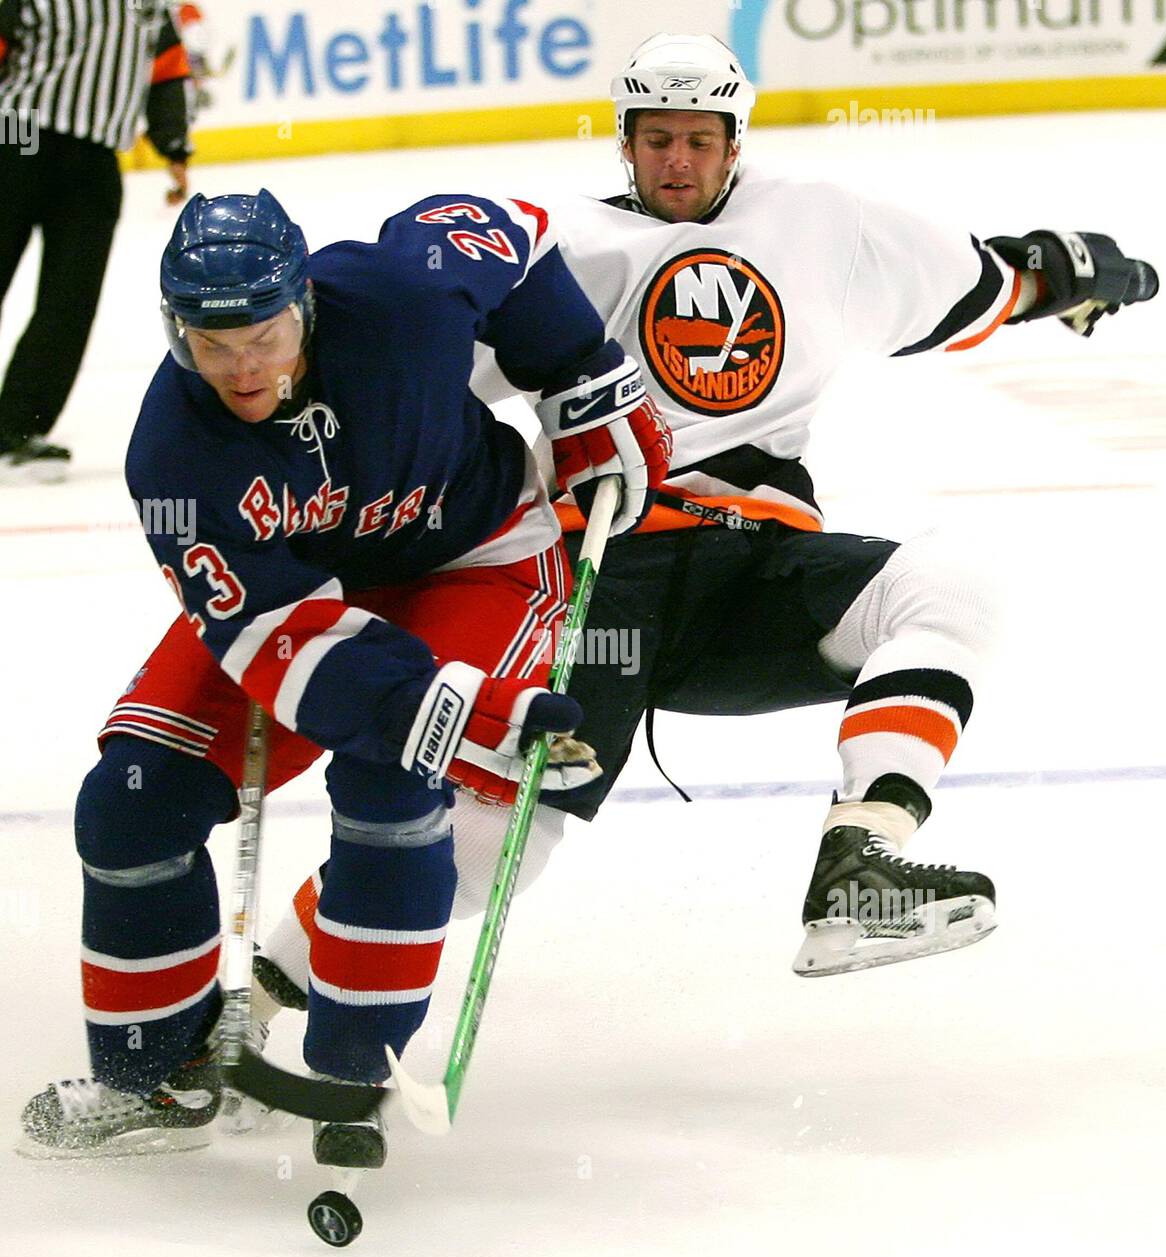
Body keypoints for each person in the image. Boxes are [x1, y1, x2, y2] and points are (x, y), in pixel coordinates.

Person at [251, 32, 1157, 1034]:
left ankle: (857, 860)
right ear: (623, 143)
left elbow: (969, 284)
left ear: (734, 140)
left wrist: (1063, 274)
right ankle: (243, 1009)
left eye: (696, 139)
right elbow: (417, 375)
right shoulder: (560, 252)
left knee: (949, 588)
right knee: (478, 855)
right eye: (654, 141)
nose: (675, 161)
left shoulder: (816, 221)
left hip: (758, 574)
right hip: (598, 579)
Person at [17, 187, 670, 1162]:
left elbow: (509, 231)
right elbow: (291, 646)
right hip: (307, 605)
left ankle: (346, 1064)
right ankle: (155, 1076)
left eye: (264, 335)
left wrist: (581, 377)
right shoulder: (175, 454)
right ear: (173, 332)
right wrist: (464, 707)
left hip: (475, 556)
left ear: (305, 305)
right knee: (131, 798)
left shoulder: (400, 295)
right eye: (210, 342)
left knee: (385, 777)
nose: (241, 367)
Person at [0, 0, 192, 481]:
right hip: (15, 140)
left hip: (94, 158)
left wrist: (173, 145)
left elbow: (165, 66)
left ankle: (16, 429)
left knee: (70, 300)